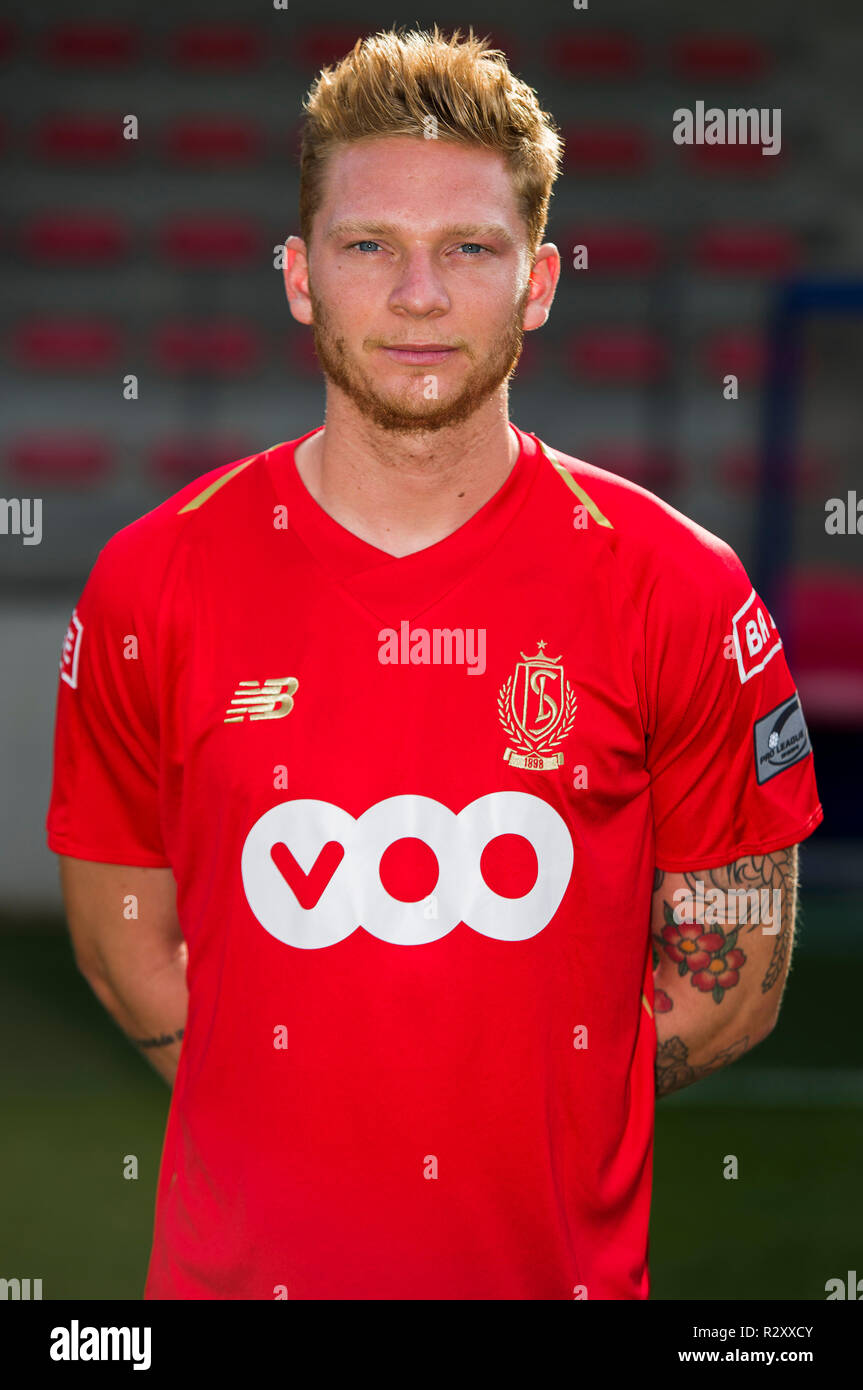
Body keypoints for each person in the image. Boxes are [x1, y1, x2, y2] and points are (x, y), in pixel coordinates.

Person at [46, 25, 823, 1300]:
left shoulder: (681, 588)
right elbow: (121, 944)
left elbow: (728, 981)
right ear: (299, 276)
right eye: (369, 247)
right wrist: (303, 1103)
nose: (418, 296)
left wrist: (509, 1109)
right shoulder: (151, 581)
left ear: (540, 282)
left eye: (467, 248)